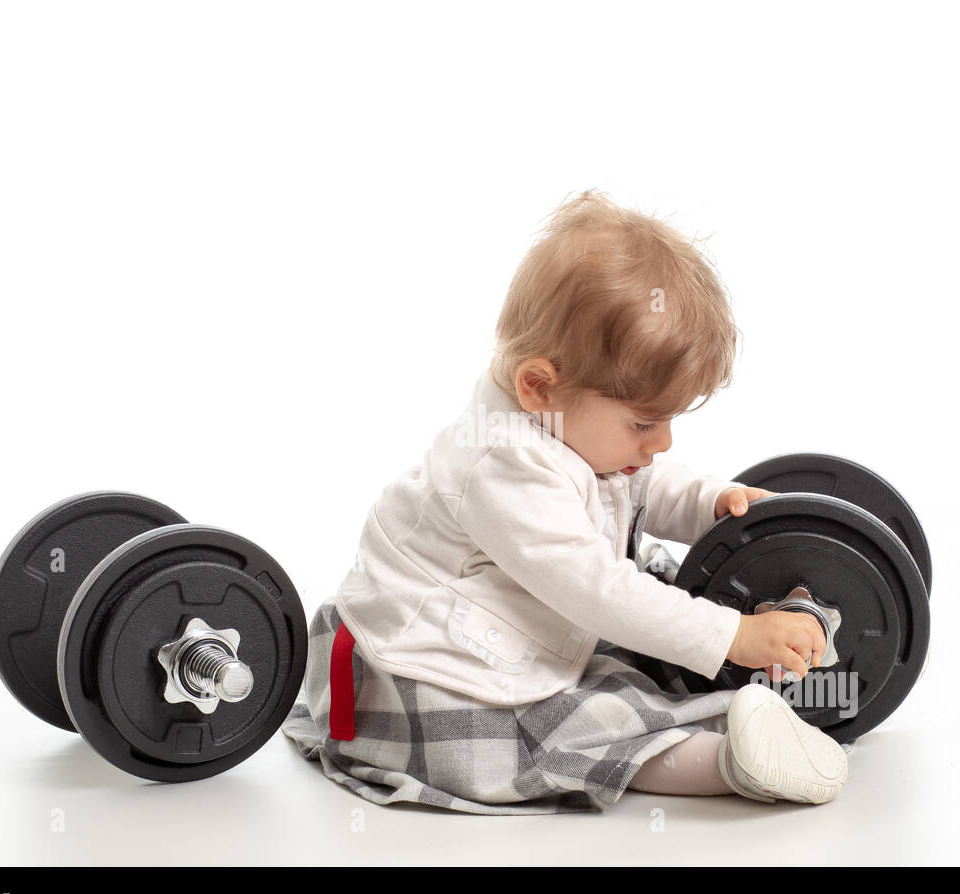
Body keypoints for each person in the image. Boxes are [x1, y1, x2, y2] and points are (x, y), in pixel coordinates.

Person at [282, 189, 848, 814]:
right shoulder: (502, 464)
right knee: (553, 737)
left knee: (638, 636)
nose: (662, 442)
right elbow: (597, 590)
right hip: (443, 679)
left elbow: (638, 486)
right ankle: (729, 762)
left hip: (516, 626)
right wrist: (732, 633)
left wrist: (712, 503)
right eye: (643, 424)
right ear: (537, 386)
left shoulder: (563, 417)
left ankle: (728, 714)